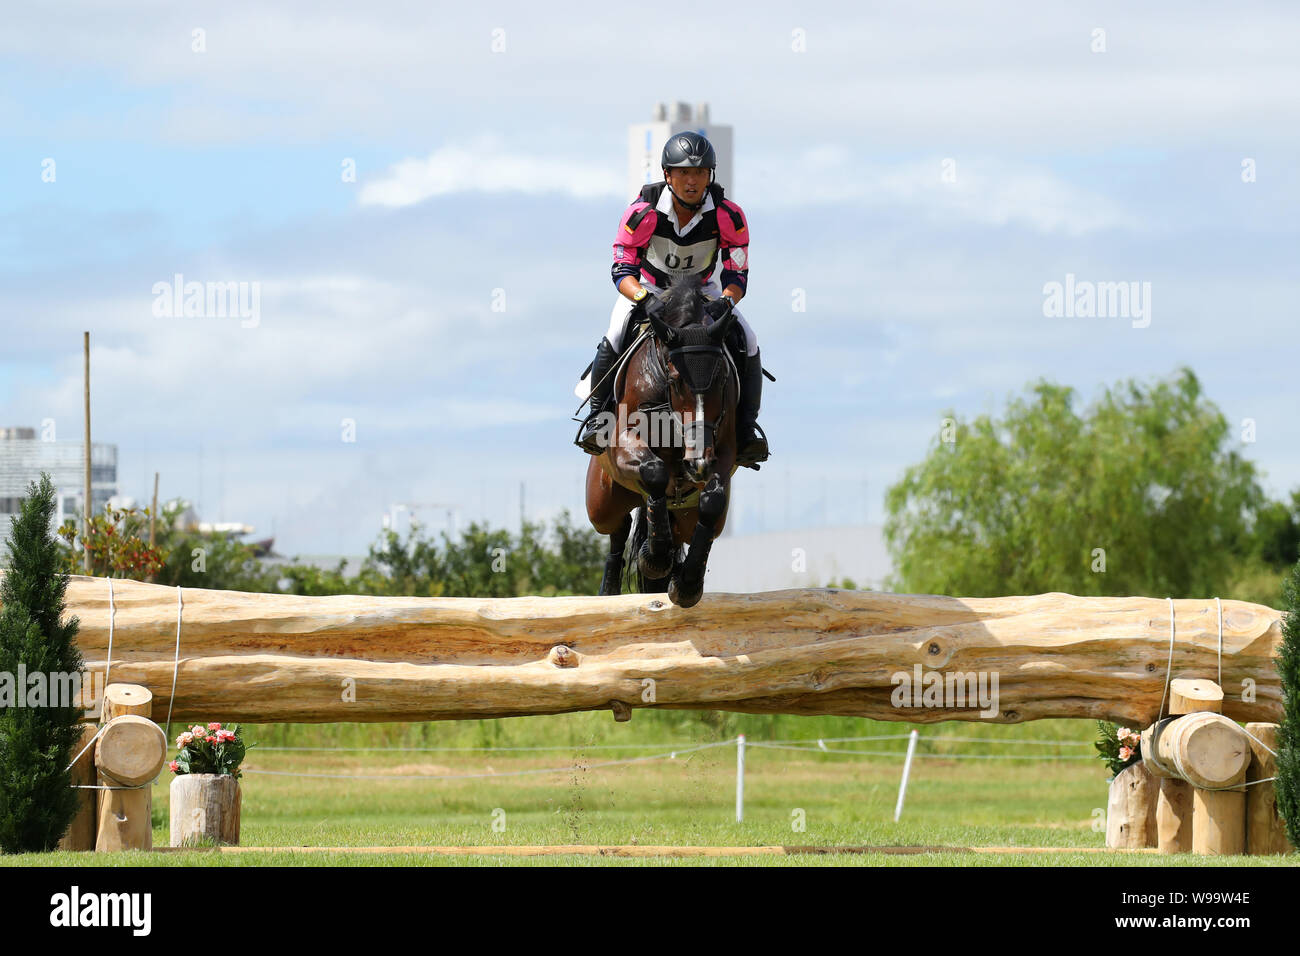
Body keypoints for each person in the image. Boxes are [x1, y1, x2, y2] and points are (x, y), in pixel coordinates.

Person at [574, 131, 769, 465]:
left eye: (699, 173)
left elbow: (737, 273)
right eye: (683, 173)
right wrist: (642, 299)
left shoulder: (729, 216)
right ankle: (598, 418)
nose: (691, 182)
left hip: (703, 291)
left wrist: (726, 300)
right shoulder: (642, 212)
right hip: (648, 288)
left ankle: (747, 428)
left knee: (748, 339)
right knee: (617, 330)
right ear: (668, 175)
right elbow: (622, 270)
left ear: (710, 176)